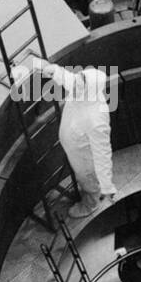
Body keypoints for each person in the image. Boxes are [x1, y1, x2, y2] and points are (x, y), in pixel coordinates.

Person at [27, 58, 117, 218]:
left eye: (78, 86)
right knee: (82, 177)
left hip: (85, 156)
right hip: (75, 147)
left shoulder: (96, 118)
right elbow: (64, 76)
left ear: (89, 90)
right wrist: (45, 67)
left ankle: (91, 204)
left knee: (86, 179)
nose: (74, 87)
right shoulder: (82, 86)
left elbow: (103, 152)